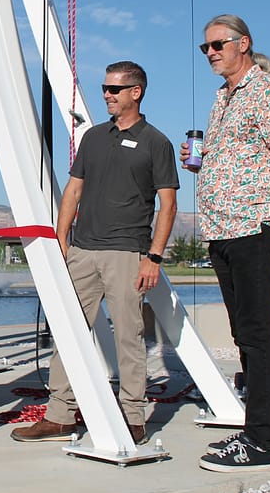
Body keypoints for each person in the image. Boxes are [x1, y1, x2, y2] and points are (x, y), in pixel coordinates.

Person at [10, 61, 178, 446]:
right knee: (68, 332)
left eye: (114, 89)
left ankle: (134, 417)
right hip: (83, 251)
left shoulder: (157, 142)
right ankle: (59, 415)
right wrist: (60, 240)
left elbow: (167, 206)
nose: (106, 94)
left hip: (127, 254)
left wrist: (153, 257)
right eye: (104, 88)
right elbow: (73, 191)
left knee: (129, 338)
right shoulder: (93, 138)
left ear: (136, 92)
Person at [183, 14, 270, 473]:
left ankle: (262, 443)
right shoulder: (222, 98)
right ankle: (254, 428)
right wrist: (202, 165)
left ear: (244, 44)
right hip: (221, 230)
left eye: (218, 44)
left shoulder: (268, 91)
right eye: (206, 47)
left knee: (257, 335)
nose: (212, 52)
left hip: (253, 229)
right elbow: (241, 157)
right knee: (242, 335)